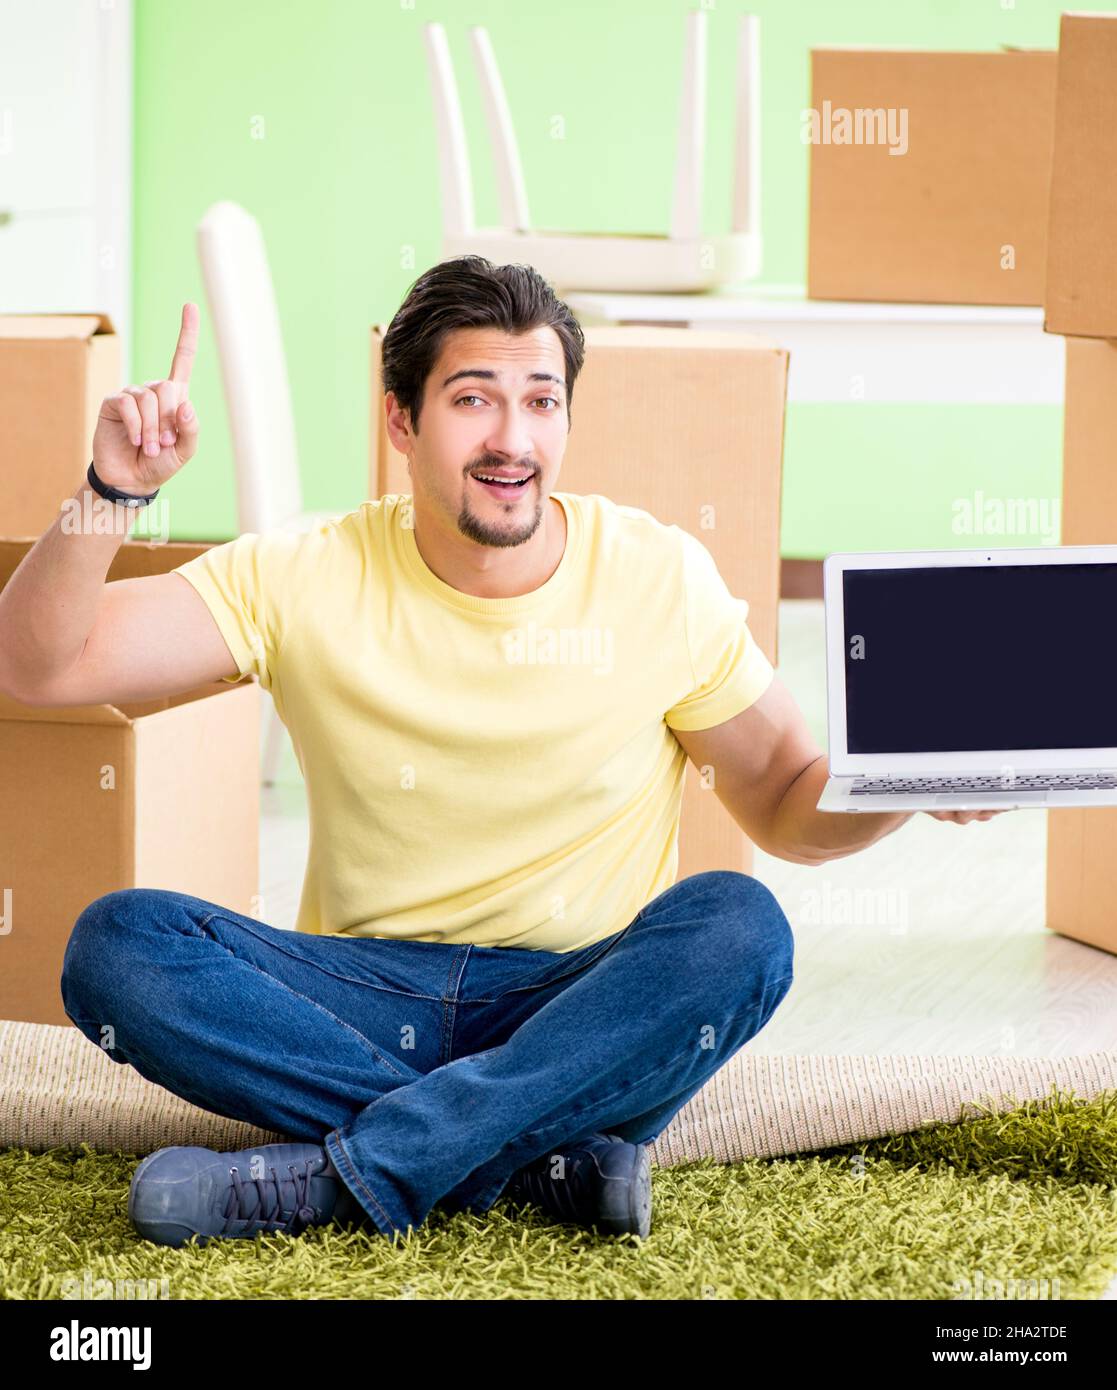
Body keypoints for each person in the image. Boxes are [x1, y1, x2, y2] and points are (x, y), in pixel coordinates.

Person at [0, 257, 999, 1250]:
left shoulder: (655, 576)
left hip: (573, 1003)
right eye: (472, 398)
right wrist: (108, 492)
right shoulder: (301, 571)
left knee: (739, 929)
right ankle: (537, 1158)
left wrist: (902, 777)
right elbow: (39, 667)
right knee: (117, 946)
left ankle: (340, 1175)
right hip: (356, 995)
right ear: (401, 419)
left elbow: (785, 797)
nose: (512, 440)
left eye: (541, 400)